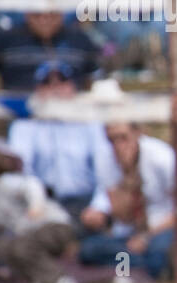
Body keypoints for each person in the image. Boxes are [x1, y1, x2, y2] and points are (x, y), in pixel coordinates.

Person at [0, 147, 79, 283]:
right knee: (5, 248)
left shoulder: (5, 183)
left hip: (56, 227)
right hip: (33, 236)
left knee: (21, 247)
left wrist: (36, 206)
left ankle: (60, 281)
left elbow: (32, 185)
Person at [6, 64, 112, 221]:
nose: (55, 88)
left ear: (73, 88)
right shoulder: (24, 125)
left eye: (62, 81)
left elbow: (106, 172)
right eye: (47, 83)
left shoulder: (91, 123)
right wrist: (36, 203)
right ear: (37, 90)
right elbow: (22, 170)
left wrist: (99, 207)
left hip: (85, 202)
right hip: (43, 203)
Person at [79, 122, 176, 283]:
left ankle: (128, 269)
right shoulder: (105, 158)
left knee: (157, 251)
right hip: (127, 233)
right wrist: (126, 176)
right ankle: (133, 272)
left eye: (123, 138)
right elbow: (122, 216)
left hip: (160, 227)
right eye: (112, 140)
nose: (117, 146)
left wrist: (145, 237)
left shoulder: (162, 157)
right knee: (88, 250)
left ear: (138, 133)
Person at [0, 10, 100, 92]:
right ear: (27, 13)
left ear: (62, 13)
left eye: (52, 14)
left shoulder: (81, 40)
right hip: (21, 119)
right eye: (37, 14)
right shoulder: (3, 39)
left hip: (73, 118)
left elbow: (95, 87)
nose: (44, 20)